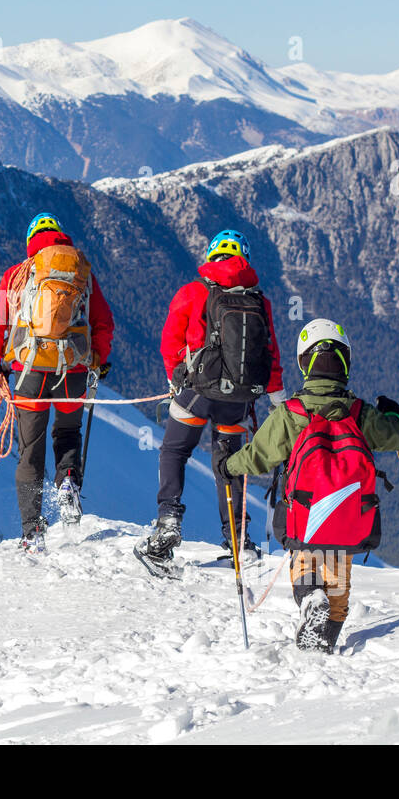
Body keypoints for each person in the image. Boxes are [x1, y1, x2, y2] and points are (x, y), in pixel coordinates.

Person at [217, 318, 399, 654]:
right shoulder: (360, 413)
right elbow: (395, 438)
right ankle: (324, 643)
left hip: (304, 514)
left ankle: (309, 599)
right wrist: (392, 414)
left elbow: (258, 457)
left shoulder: (292, 413)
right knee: (338, 580)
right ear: (345, 362)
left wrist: (226, 465)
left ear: (305, 364)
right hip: (349, 518)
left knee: (305, 561)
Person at [136, 229, 284, 571]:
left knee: (175, 450)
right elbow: (270, 351)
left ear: (211, 255)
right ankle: (239, 540)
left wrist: (175, 376)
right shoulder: (260, 300)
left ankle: (168, 521)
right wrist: (276, 394)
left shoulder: (193, 292)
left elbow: (170, 339)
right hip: (239, 399)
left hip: (198, 392)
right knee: (228, 465)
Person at [0, 212, 114, 549]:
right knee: (68, 432)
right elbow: (103, 320)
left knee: (30, 450)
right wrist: (98, 359)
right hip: (72, 370)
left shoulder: (19, 273)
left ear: (31, 243)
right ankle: (68, 482)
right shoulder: (81, 271)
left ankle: (32, 531)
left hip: (30, 372)